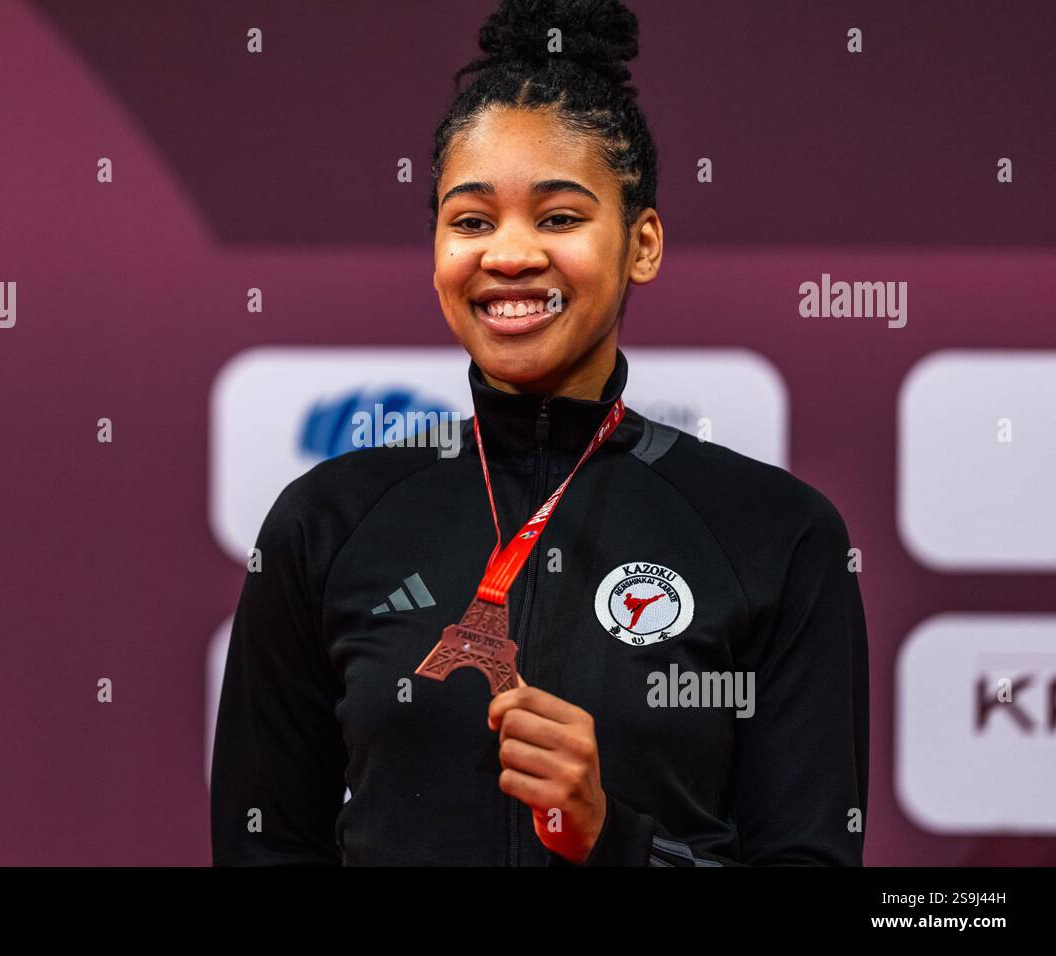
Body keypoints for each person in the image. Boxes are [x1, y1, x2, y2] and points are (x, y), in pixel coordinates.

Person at [210, 0, 869, 866]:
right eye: (471, 221)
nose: (509, 255)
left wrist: (612, 840)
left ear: (642, 244)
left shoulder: (777, 535)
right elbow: (262, 848)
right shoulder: (324, 523)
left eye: (559, 218)